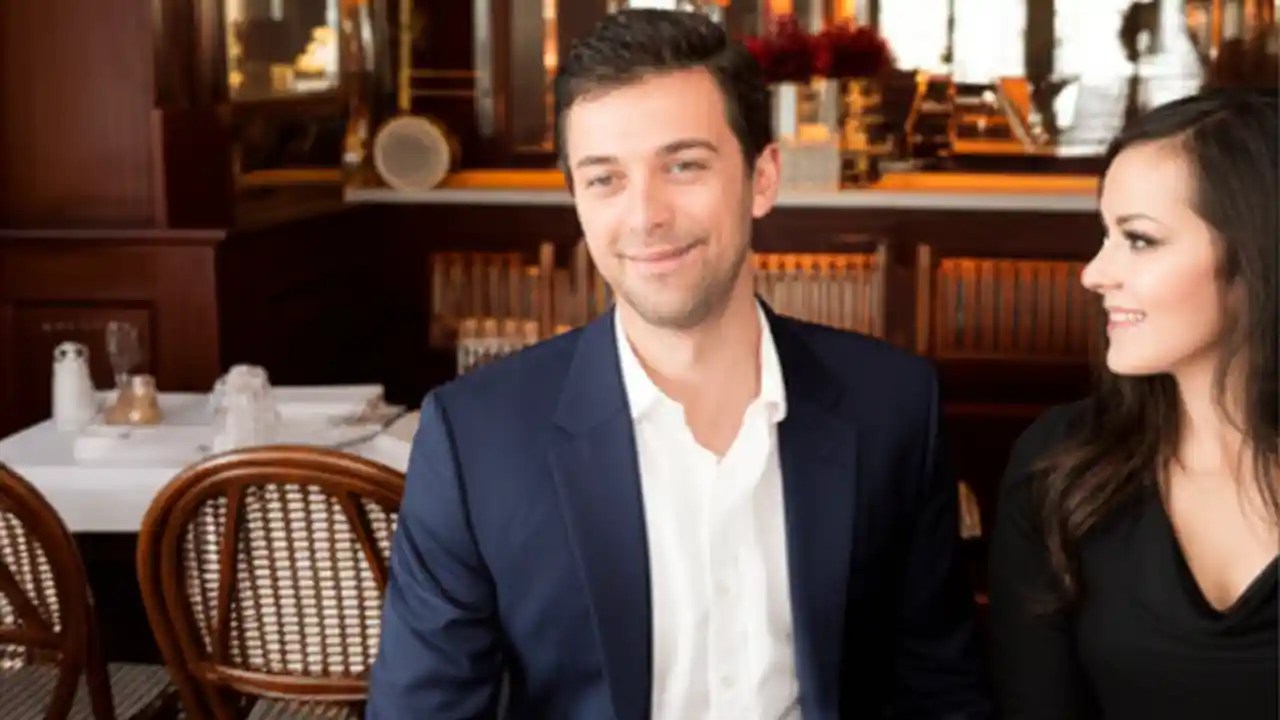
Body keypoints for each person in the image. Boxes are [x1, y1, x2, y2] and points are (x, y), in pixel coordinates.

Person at [367, 9, 989, 719]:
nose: (645, 216)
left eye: (684, 165)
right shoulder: (474, 438)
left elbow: (941, 692)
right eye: (605, 179)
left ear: (761, 179)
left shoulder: (895, 408)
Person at [989, 88, 1278, 719]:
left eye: (1140, 240)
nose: (1095, 273)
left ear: (1256, 256)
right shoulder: (1060, 470)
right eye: (1105, 235)